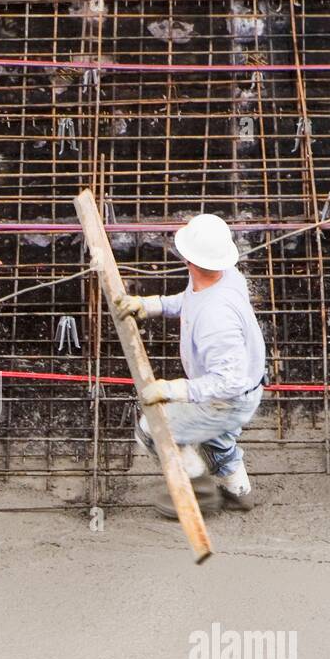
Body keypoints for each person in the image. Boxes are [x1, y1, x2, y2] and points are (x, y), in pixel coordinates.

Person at [113, 213, 267, 517]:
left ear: (189, 258)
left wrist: (172, 390)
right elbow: (190, 300)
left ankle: (199, 491)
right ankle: (239, 492)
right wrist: (150, 305)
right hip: (243, 390)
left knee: (153, 429)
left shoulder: (216, 319)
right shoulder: (226, 276)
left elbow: (228, 381)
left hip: (230, 397)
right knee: (216, 438)